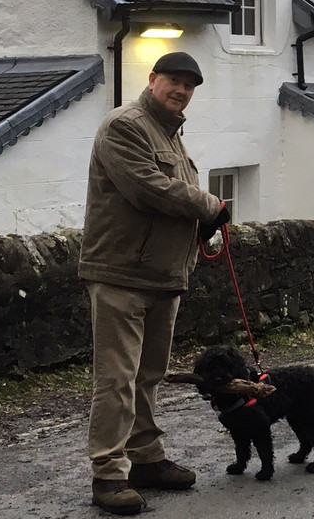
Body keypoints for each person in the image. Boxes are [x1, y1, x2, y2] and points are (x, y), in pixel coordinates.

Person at [79, 51, 230, 515]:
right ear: (152, 79)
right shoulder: (124, 126)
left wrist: (201, 226)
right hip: (121, 273)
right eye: (173, 81)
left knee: (148, 376)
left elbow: (172, 201)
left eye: (189, 85)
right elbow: (148, 189)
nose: (181, 90)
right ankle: (108, 474)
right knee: (117, 378)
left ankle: (145, 458)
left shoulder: (171, 135)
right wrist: (210, 206)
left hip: (164, 276)